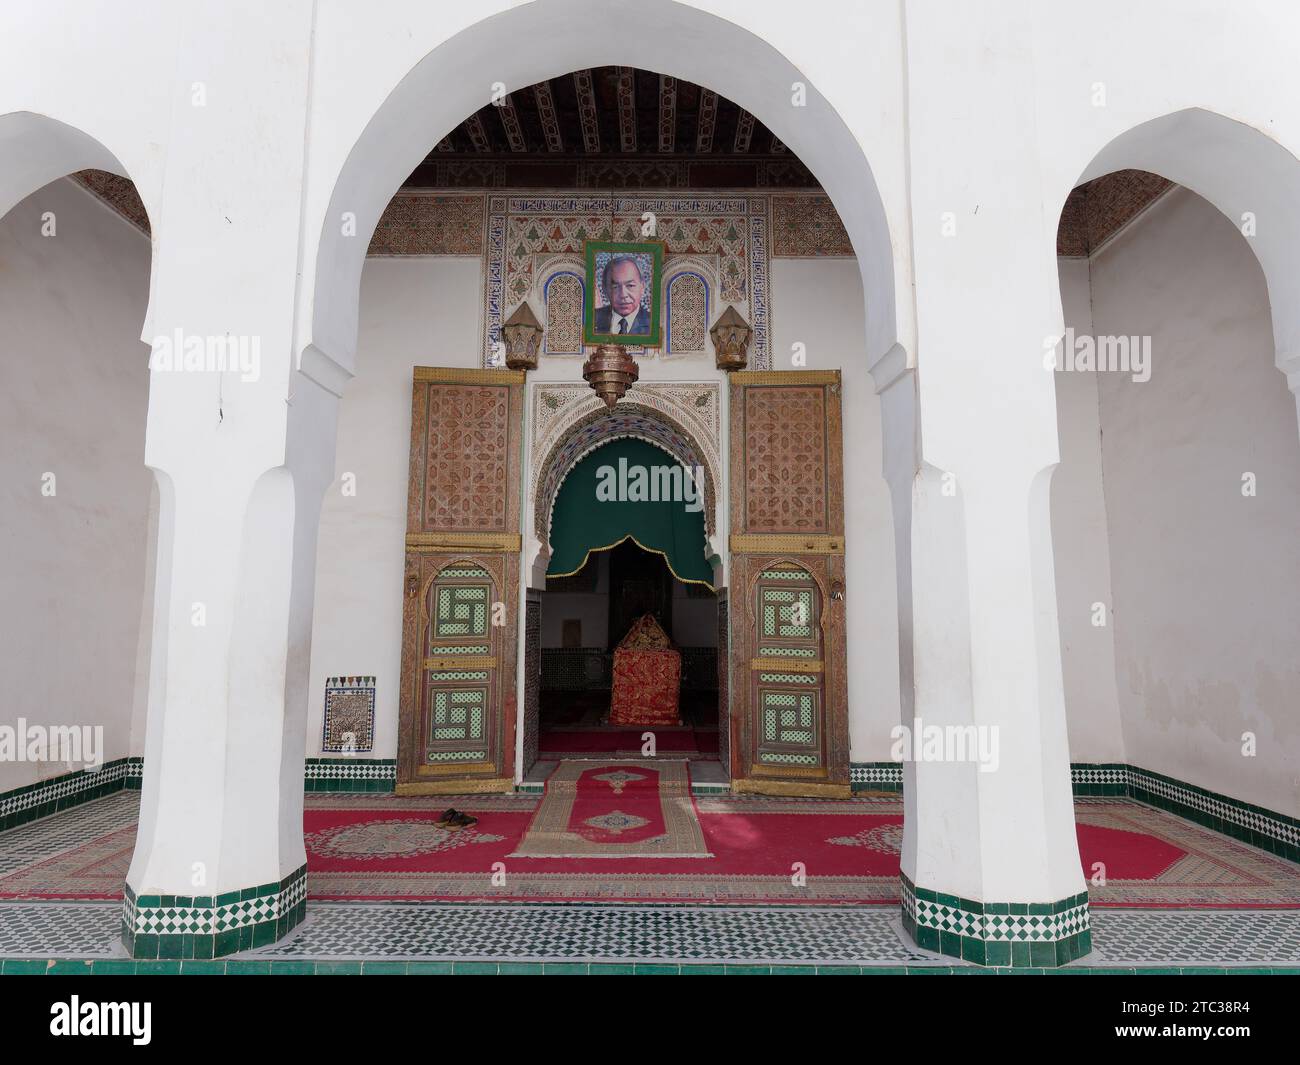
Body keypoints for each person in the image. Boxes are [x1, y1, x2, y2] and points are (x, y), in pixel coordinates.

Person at [594, 255, 651, 335]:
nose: (623, 295)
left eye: (630, 285)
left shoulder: (654, 323)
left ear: (642, 287)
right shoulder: (592, 319)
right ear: (605, 289)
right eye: (615, 287)